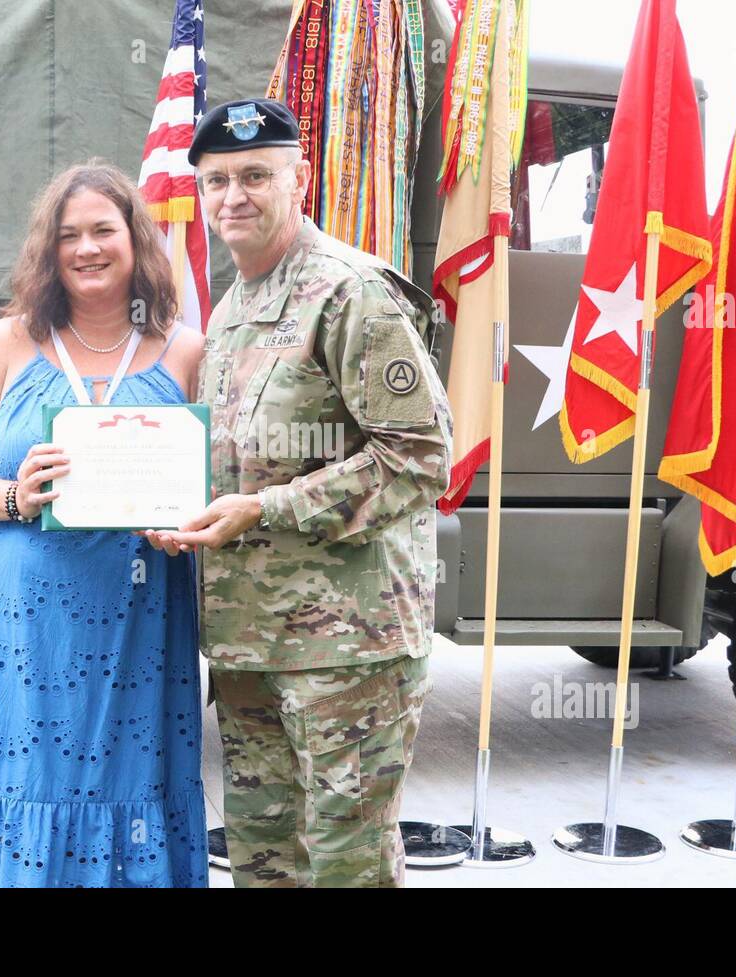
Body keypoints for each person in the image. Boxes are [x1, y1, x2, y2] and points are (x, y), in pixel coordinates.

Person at [142, 99, 453, 888]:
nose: (232, 197)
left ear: (300, 179)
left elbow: (419, 457)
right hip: (252, 644)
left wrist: (266, 509)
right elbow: (238, 464)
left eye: (255, 175)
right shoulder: (239, 303)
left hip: (348, 650)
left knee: (347, 866)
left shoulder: (351, 293)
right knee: (264, 862)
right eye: (216, 181)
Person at [0, 160, 208, 887]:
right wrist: (16, 494)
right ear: (50, 251)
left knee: (124, 783)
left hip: (134, 626)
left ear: (136, 240)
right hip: (15, 631)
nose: (87, 248)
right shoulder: (6, 343)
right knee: (17, 780)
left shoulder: (186, 352)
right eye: (69, 235)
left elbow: (209, 484)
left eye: (104, 230)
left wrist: (183, 526)